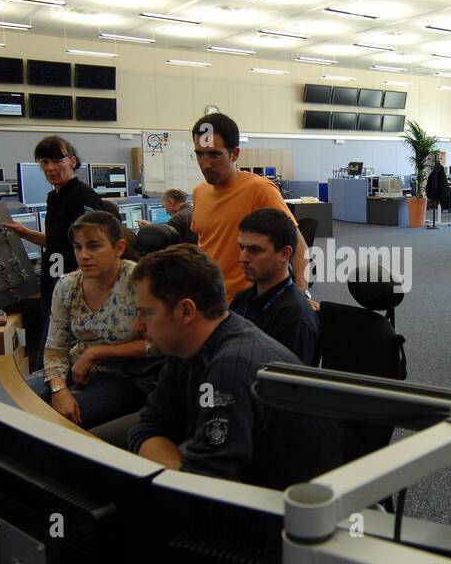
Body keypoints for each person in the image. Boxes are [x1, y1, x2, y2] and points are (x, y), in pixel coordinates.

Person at [123, 244, 340, 488]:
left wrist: (175, 469)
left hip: (287, 510)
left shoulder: (232, 368)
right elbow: (149, 426)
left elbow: (202, 485)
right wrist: (178, 471)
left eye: (146, 313)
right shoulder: (183, 346)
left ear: (186, 311)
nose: (137, 326)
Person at [25, 210, 152, 427]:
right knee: (10, 402)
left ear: (119, 248)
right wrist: (59, 388)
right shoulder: (67, 285)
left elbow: (159, 345)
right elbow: (55, 348)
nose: (84, 255)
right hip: (76, 368)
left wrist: (97, 352)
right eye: (78, 247)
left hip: (126, 376)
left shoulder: (140, 282)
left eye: (94, 246)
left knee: (53, 421)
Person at [1, 137, 106, 364]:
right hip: (53, 286)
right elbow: (56, 242)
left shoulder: (82, 196)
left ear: (73, 162)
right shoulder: (54, 197)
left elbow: (96, 245)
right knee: (51, 355)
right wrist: (23, 232)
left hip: (74, 291)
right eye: (44, 162)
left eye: (57, 160)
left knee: (49, 359)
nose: (50, 168)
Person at [189, 113, 311, 303]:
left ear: (234, 154)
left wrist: (301, 291)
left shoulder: (259, 190)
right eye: (199, 154)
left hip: (248, 304)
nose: (205, 164)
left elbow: (297, 243)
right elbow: (205, 244)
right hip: (211, 300)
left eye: (214, 154)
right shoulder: (199, 192)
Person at [230, 208, 319, 365]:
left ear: (285, 254)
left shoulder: (296, 317)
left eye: (254, 250)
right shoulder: (241, 299)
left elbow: (289, 384)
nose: (243, 258)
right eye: (241, 247)